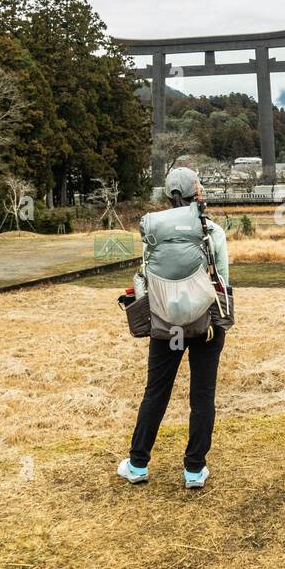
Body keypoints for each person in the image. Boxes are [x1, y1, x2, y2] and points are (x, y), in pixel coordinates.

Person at [117, 167, 230, 490]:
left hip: (167, 324)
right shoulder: (213, 232)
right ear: (198, 195)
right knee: (202, 396)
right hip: (206, 324)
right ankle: (194, 470)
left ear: (168, 196)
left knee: (156, 392)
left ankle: (137, 464)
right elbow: (222, 279)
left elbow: (148, 277)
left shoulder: (152, 233)